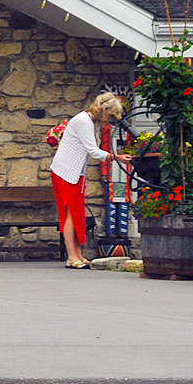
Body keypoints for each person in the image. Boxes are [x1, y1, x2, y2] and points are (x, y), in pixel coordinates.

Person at [49, 92, 131, 269]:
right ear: (104, 109)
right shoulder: (84, 122)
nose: (111, 117)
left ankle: (78, 254)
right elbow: (94, 151)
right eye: (111, 113)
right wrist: (115, 157)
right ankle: (72, 257)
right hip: (66, 172)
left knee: (77, 213)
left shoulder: (89, 121)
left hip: (73, 172)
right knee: (71, 213)